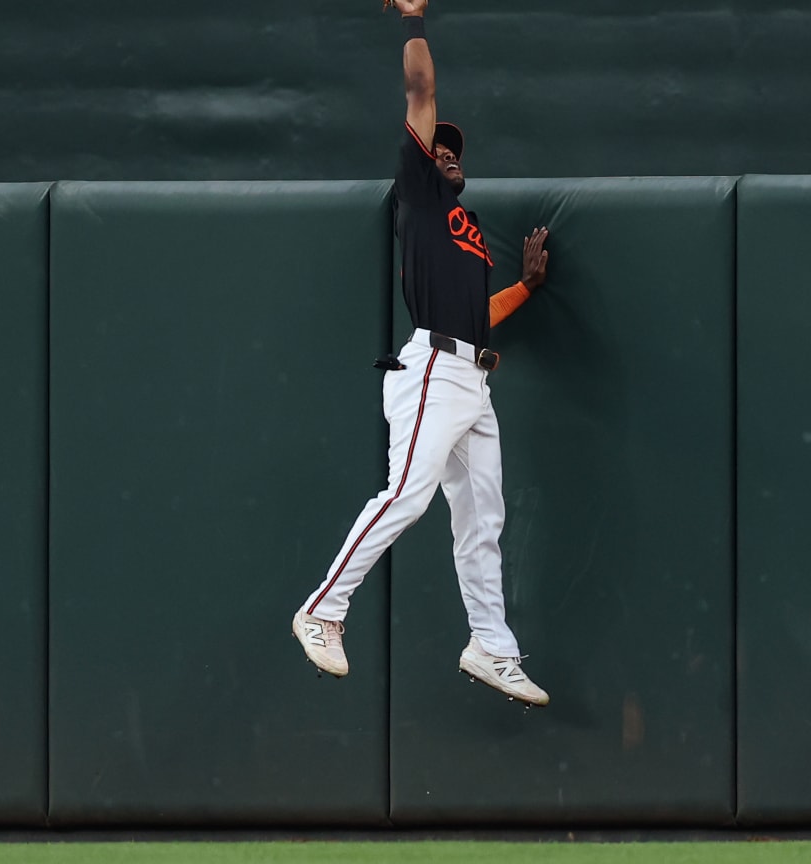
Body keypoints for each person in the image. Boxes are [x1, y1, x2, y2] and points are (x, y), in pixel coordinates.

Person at [291, 0, 553, 707]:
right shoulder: (421, 196)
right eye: (439, 146)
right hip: (433, 368)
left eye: (454, 150)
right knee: (406, 496)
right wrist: (412, 22)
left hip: (470, 374)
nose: (447, 152)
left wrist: (525, 290)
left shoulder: (467, 231)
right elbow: (421, 91)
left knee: (483, 521)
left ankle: (491, 646)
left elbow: (479, 317)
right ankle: (323, 609)